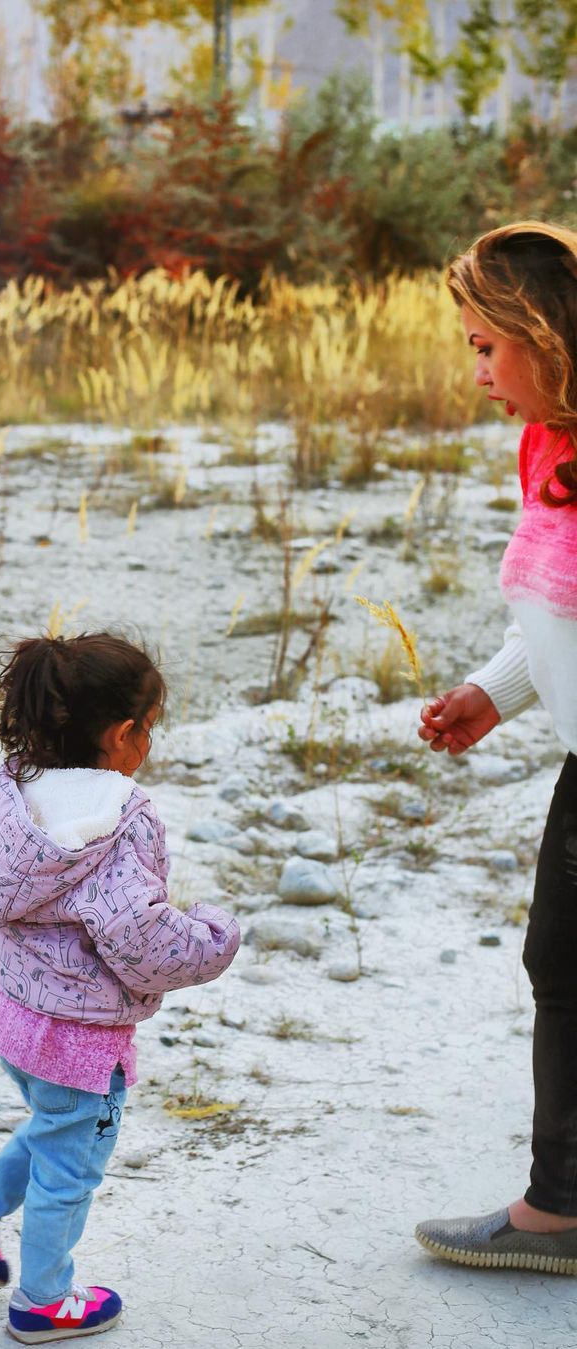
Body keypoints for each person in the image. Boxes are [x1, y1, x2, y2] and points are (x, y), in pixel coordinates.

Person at [0, 633, 240, 1342]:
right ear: (123, 733)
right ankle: (43, 1299)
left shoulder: (15, 792)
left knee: (53, 1127)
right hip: (81, 1039)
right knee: (72, 1165)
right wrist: (213, 937)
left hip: (16, 1017)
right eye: (150, 728)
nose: (150, 744)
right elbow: (141, 940)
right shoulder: (120, 820)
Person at [415, 221, 577, 1275]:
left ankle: (560, 1210)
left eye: (487, 346)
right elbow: (556, 614)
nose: (476, 371)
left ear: (546, 336)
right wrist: (493, 691)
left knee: (566, 963)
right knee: (560, 962)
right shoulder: (545, 447)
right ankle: (560, 1205)